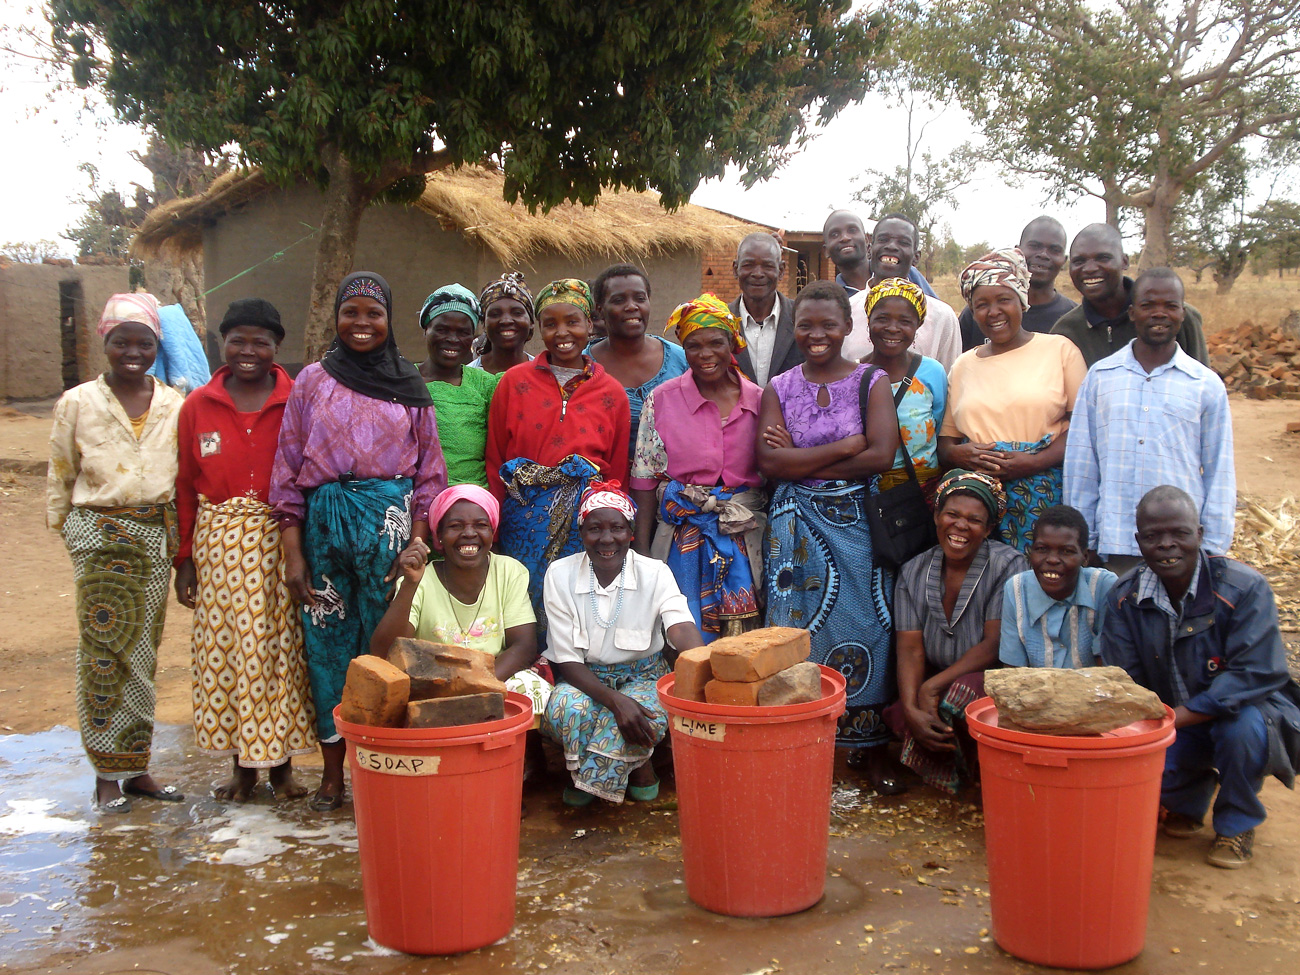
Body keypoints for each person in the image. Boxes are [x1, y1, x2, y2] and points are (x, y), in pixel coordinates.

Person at [271, 272, 447, 812]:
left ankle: (388, 765)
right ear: (336, 319)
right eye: (351, 313)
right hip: (324, 529)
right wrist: (294, 555)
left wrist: (416, 544)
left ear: (390, 319)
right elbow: (287, 470)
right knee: (327, 650)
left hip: (388, 530)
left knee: (389, 647)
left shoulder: (410, 386)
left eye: (373, 313)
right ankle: (333, 775)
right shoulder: (312, 381)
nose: (362, 323)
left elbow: (429, 475)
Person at [1102, 486, 1300, 869]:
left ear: (1200, 534)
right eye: (1153, 536)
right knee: (1146, 759)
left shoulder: (1243, 588)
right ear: (1138, 540)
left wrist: (1179, 716)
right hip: (1175, 717)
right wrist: (1154, 725)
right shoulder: (1124, 598)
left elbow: (1254, 673)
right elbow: (1126, 681)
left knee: (1241, 733)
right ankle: (1188, 801)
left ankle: (1237, 822)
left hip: (1244, 714)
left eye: (1179, 533)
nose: (1166, 545)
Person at [758, 281, 903, 792]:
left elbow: (881, 456)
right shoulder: (779, 385)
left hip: (857, 528)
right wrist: (847, 444)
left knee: (870, 626)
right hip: (792, 533)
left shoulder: (871, 382)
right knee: (793, 633)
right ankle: (797, 739)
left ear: (846, 328)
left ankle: (865, 749)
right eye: (805, 325)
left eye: (828, 325)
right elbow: (771, 463)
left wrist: (802, 457)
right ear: (794, 330)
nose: (816, 335)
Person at [46, 293, 187, 813]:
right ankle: (107, 775)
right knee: (104, 654)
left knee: (142, 655)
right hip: (98, 537)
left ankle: (137, 767)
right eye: (121, 341)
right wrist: (73, 537)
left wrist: (179, 550)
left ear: (156, 346)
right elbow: (61, 474)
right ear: (104, 343)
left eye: (143, 342)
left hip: (152, 538)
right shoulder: (78, 403)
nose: (133, 351)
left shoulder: (175, 404)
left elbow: (180, 480)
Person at [174, 299, 317, 802]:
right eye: (238, 340)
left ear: (277, 347)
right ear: (222, 343)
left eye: (260, 342)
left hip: (281, 539)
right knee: (233, 653)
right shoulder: (198, 406)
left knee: (281, 653)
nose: (248, 351)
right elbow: (187, 486)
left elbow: (307, 477)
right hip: (219, 545)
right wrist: (185, 558)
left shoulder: (297, 398)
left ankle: (282, 770)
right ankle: (242, 768)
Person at [485, 279, 631, 642]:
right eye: (550, 324)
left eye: (572, 322)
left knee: (579, 605)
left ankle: (574, 678)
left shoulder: (612, 392)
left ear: (590, 324)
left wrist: (616, 525)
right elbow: (495, 458)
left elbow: (617, 471)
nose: (562, 333)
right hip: (522, 520)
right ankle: (529, 679)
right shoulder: (513, 382)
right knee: (522, 605)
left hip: (585, 523)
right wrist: (496, 524)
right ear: (539, 329)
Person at [540, 483, 703, 805]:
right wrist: (615, 701)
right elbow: (566, 659)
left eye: (617, 528)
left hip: (644, 676)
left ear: (630, 532)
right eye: (594, 529)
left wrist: (704, 660)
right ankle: (638, 769)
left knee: (648, 713)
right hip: (584, 678)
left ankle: (585, 778)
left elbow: (680, 625)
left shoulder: (655, 572)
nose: (606, 539)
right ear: (582, 532)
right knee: (566, 708)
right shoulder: (559, 574)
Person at [1064, 268, 1236, 575]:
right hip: (1115, 544)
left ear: (1183, 313)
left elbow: (1219, 471)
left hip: (1181, 547)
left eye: (1170, 306)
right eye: (1148, 305)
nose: (1159, 314)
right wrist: (1084, 538)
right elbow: (1082, 466)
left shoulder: (1205, 385)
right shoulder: (1101, 378)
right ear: (1132, 313)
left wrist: (1213, 547)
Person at [629, 294, 766, 641]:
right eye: (693, 346)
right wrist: (643, 554)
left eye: (715, 343)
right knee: (680, 632)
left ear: (733, 343)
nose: (705, 354)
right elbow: (644, 481)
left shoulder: (761, 400)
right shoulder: (661, 400)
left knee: (747, 642)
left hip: (747, 535)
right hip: (680, 539)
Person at [887, 471, 1028, 794]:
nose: (960, 526)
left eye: (974, 520)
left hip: (986, 678)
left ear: (989, 528)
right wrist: (912, 707)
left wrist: (931, 688)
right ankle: (950, 765)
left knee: (961, 693)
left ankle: (979, 771)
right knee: (899, 711)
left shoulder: (1008, 565)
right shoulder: (913, 571)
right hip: (939, 676)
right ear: (936, 515)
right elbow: (909, 648)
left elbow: (994, 644)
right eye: (951, 514)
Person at [939, 248, 1088, 551]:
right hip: (978, 501)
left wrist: (1033, 462)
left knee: (1041, 575)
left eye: (1003, 300)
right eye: (981, 304)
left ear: (1022, 300)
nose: (993, 312)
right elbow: (946, 442)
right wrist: (961, 457)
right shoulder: (963, 365)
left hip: (1044, 491)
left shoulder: (1060, 350)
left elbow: (1082, 428)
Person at [369, 484, 550, 717]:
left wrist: (475, 685)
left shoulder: (508, 571)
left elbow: (523, 646)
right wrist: (410, 585)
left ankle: (520, 752)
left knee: (533, 689)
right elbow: (383, 651)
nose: (469, 533)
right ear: (439, 537)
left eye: (481, 525)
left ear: (492, 532)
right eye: (455, 526)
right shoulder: (419, 578)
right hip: (432, 684)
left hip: (493, 677)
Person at [1052, 223, 1208, 366]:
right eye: (1079, 261)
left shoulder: (1174, 317)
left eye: (1103, 258)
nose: (1090, 268)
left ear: (1124, 261)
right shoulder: (1067, 331)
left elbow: (1201, 385)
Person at [859, 278, 947, 501]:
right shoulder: (852, 374)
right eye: (882, 319)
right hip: (867, 495)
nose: (892, 328)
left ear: (917, 326)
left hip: (922, 496)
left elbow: (939, 430)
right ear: (868, 321)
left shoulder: (932, 373)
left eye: (905, 321)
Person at [587, 263, 687, 459]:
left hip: (673, 483)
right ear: (599, 309)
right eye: (618, 300)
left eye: (640, 299)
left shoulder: (681, 360)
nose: (632, 306)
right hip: (603, 483)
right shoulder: (582, 367)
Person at [999, 505, 1117, 669]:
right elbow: (1012, 672)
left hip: (1093, 692)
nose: (1052, 560)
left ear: (1084, 557)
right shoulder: (1016, 590)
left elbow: (1107, 669)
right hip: (1033, 692)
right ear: (1030, 551)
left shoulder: (1103, 586)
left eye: (1067, 551)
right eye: (1042, 549)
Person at [844, 214, 962, 370]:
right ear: (869, 250)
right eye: (883, 239)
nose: (891, 246)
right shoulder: (847, 311)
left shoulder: (942, 317)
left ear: (916, 257)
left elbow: (949, 383)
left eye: (903, 242)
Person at [417, 284, 499, 488]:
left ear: (473, 337)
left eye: (463, 332)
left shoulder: (485, 385)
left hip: (472, 502)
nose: (452, 339)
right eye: (442, 329)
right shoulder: (405, 381)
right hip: (416, 498)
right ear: (426, 329)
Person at [959, 216, 1076, 351]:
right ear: (1017, 252)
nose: (1043, 255)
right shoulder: (981, 314)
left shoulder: (1073, 318)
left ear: (1064, 260)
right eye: (1035, 246)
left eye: (1054, 250)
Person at [727, 232, 804, 385]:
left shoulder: (802, 318)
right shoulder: (721, 321)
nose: (757, 274)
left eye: (767, 266)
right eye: (748, 265)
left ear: (781, 270)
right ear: (736, 269)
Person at [822, 208, 936, 298]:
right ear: (826, 251)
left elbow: (936, 313)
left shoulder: (906, 272)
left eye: (852, 230)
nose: (845, 238)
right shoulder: (836, 299)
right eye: (835, 234)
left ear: (868, 241)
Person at [469, 272, 535, 374]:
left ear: (531, 322)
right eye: (495, 314)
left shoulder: (545, 377)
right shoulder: (466, 378)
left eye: (517, 313)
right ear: (484, 325)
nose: (506, 320)